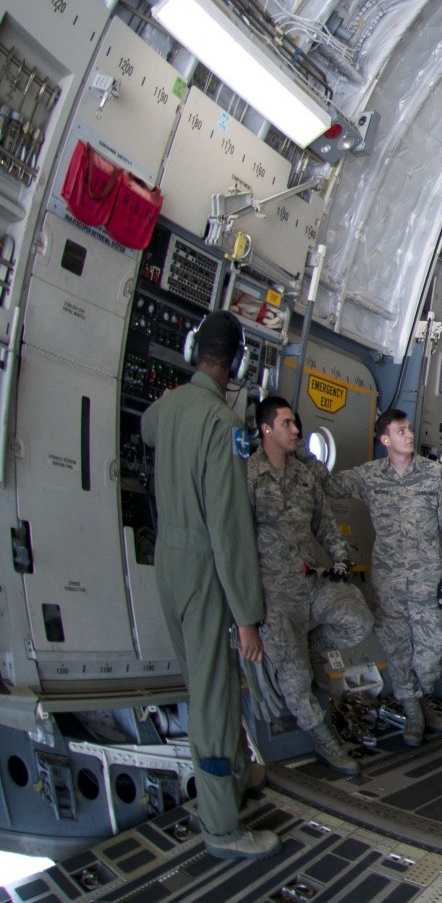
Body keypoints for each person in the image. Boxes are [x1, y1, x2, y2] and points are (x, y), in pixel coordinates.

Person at [140, 311, 277, 860]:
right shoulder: (224, 426)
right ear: (238, 363)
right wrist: (247, 614)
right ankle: (221, 826)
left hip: (167, 563)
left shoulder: (168, 407)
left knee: (205, 678)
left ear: (194, 350)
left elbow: (149, 426)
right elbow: (229, 525)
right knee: (215, 697)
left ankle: (237, 775)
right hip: (202, 565)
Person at [326, 409, 442, 747]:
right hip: (389, 582)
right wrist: (301, 453)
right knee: (398, 650)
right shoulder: (369, 476)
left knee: (434, 650)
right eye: (400, 430)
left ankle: (419, 697)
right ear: (385, 440)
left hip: (428, 581)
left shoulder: (433, 475)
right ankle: (414, 710)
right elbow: (330, 485)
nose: (408, 435)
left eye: (409, 429)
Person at [247, 396, 373, 778]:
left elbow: (325, 523)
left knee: (358, 619)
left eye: (296, 424)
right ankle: (325, 739)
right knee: (297, 681)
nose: (296, 430)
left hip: (309, 582)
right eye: (287, 424)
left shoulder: (304, 477)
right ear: (266, 429)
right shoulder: (247, 477)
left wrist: (338, 557)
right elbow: (233, 542)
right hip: (273, 596)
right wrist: (245, 616)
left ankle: (303, 648)